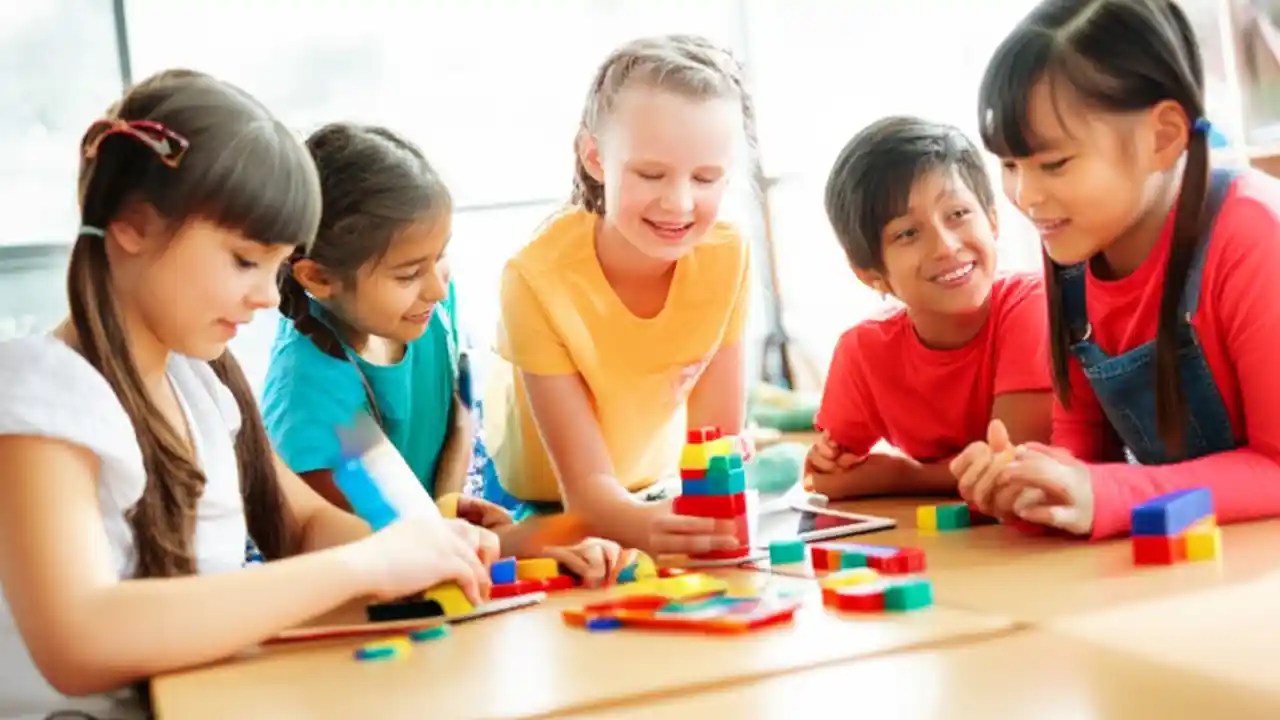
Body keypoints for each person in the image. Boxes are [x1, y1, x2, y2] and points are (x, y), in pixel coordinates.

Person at [0, 70, 494, 719]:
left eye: (275, 263)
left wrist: (426, 552)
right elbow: (79, 638)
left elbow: (304, 522)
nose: (267, 295)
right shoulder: (39, 388)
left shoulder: (200, 381)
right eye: (243, 261)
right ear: (132, 224)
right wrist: (369, 564)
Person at [953, 0, 1280, 538]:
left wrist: (1107, 494)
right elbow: (1083, 449)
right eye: (1010, 165)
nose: (1025, 195)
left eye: (1054, 163)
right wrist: (1036, 482)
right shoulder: (1075, 251)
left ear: (1162, 137)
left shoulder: (1254, 234)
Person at [262, 122, 626, 579]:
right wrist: (522, 542)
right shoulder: (312, 397)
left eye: (440, 256)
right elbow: (392, 545)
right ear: (316, 278)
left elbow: (458, 405)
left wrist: (448, 505)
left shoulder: (423, 306)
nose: (437, 286)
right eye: (408, 274)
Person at [485, 35, 755, 554]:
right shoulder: (535, 279)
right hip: (538, 499)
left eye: (706, 177)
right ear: (595, 158)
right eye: (650, 173)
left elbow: (715, 443)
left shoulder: (728, 253)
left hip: (648, 485)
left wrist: (710, 510)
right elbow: (587, 499)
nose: (678, 203)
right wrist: (653, 526)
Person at [808, 116, 1052, 501]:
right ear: (870, 273)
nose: (945, 246)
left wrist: (904, 477)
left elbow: (1011, 464)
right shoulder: (862, 353)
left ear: (991, 220)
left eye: (957, 214)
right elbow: (829, 474)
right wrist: (827, 464)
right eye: (908, 233)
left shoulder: (1032, 303)